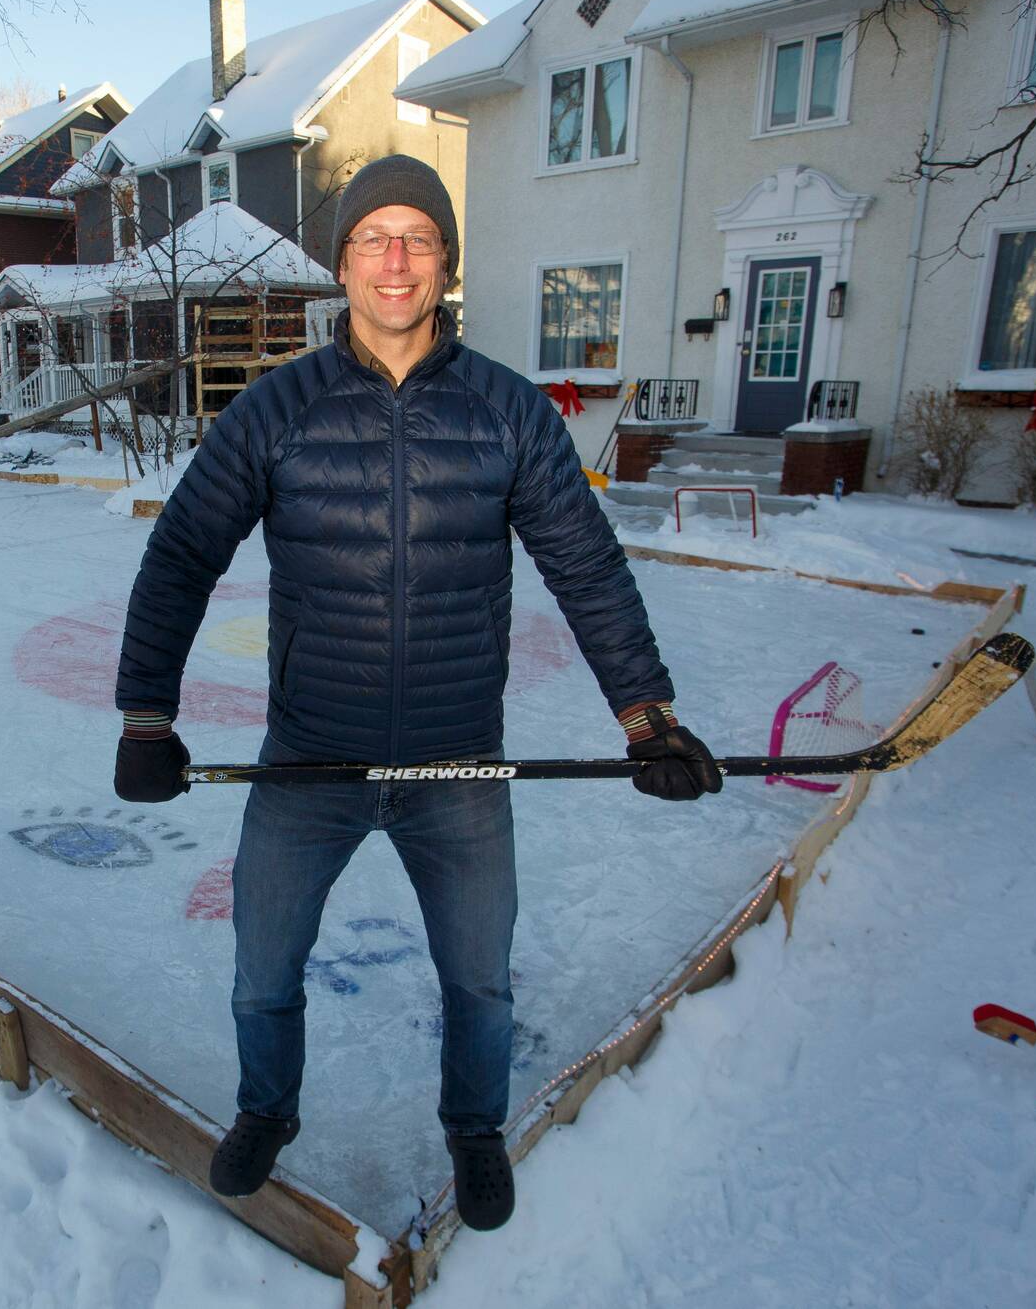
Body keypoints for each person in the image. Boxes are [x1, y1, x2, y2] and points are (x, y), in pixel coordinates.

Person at [113, 155, 721, 1232]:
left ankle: (474, 1129)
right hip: (310, 760)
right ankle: (266, 1109)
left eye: (418, 238)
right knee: (263, 970)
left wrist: (647, 718)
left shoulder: (507, 412)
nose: (394, 260)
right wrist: (146, 716)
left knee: (479, 980)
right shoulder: (276, 410)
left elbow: (585, 565)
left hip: (457, 762)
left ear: (445, 261)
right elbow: (182, 555)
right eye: (372, 238)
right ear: (342, 262)